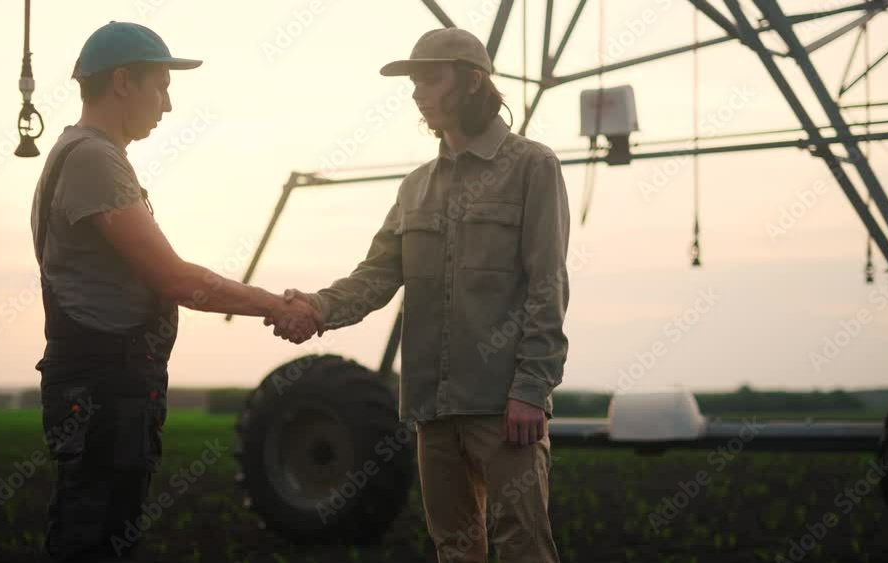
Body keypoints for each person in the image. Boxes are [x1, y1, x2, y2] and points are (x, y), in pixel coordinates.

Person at [275, 27, 568, 563]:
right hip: (432, 409)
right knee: (454, 549)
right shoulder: (416, 187)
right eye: (413, 82)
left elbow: (547, 286)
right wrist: (317, 307)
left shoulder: (533, 167)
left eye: (430, 79)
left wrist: (531, 389)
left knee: (524, 548)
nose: (416, 93)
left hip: (503, 405)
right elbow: (376, 275)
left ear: (473, 82)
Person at [30, 22, 321, 562]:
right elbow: (179, 280)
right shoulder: (92, 158)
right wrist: (276, 306)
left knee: (97, 530)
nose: (167, 104)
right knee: (94, 538)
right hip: (105, 390)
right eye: (161, 86)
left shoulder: (90, 154)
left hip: (109, 386)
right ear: (122, 82)